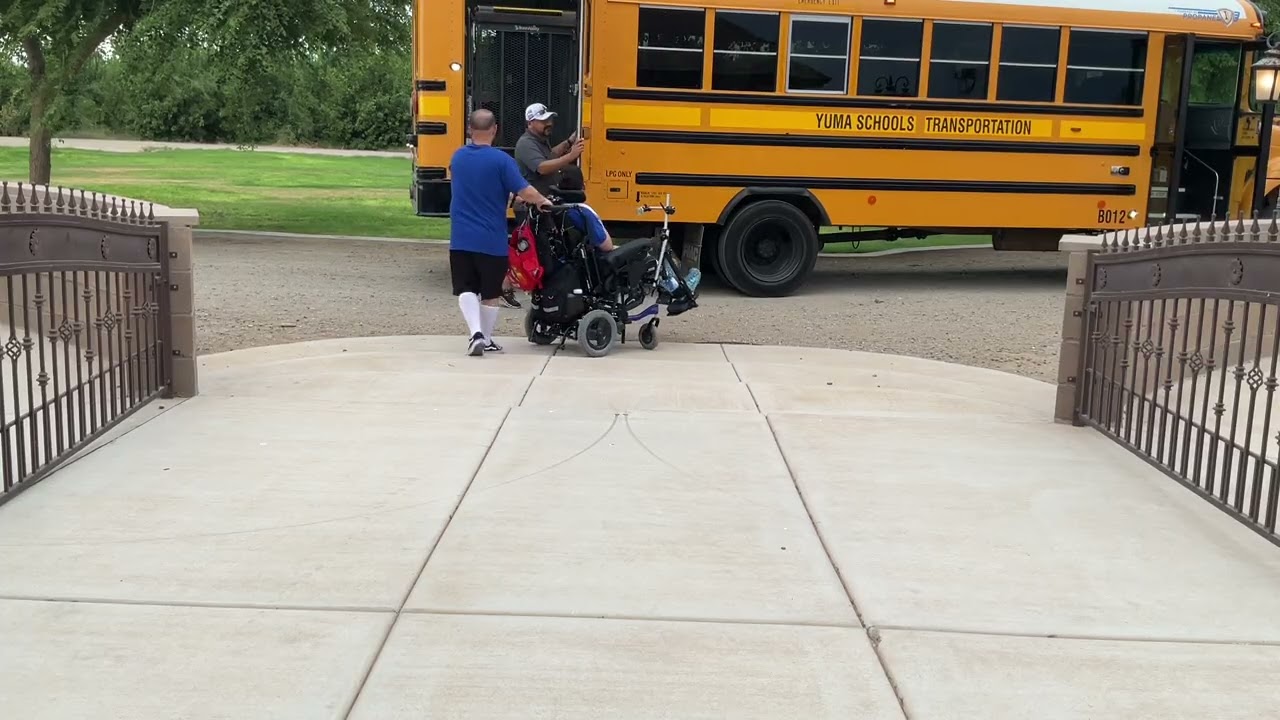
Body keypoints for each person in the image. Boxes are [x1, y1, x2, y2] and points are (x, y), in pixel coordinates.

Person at [449, 108, 552, 357]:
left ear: (469, 130)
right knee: (491, 292)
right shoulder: (502, 161)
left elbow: (467, 183)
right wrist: (542, 201)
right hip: (491, 239)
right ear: (495, 130)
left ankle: (477, 335)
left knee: (465, 288)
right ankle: (482, 337)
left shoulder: (458, 157)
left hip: (461, 238)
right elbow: (525, 190)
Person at [504, 102, 585, 310]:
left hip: (541, 207)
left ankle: (537, 291)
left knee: (540, 252)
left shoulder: (540, 141)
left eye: (549, 119)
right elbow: (541, 167)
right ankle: (506, 287)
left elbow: (550, 156)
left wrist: (569, 142)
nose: (548, 123)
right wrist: (571, 156)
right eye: (543, 121)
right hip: (530, 208)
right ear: (530, 123)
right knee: (532, 253)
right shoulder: (526, 143)